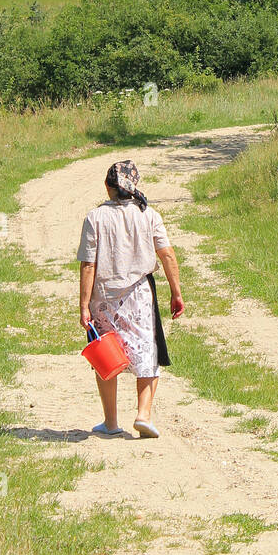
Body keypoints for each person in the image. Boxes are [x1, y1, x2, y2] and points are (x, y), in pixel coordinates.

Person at [77, 160, 183, 438]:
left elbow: (88, 265)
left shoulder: (94, 218)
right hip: (139, 295)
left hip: (104, 296)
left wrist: (84, 306)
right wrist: (176, 293)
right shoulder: (149, 216)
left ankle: (111, 423)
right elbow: (167, 255)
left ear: (108, 187)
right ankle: (143, 414)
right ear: (134, 185)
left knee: (106, 354)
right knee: (146, 351)